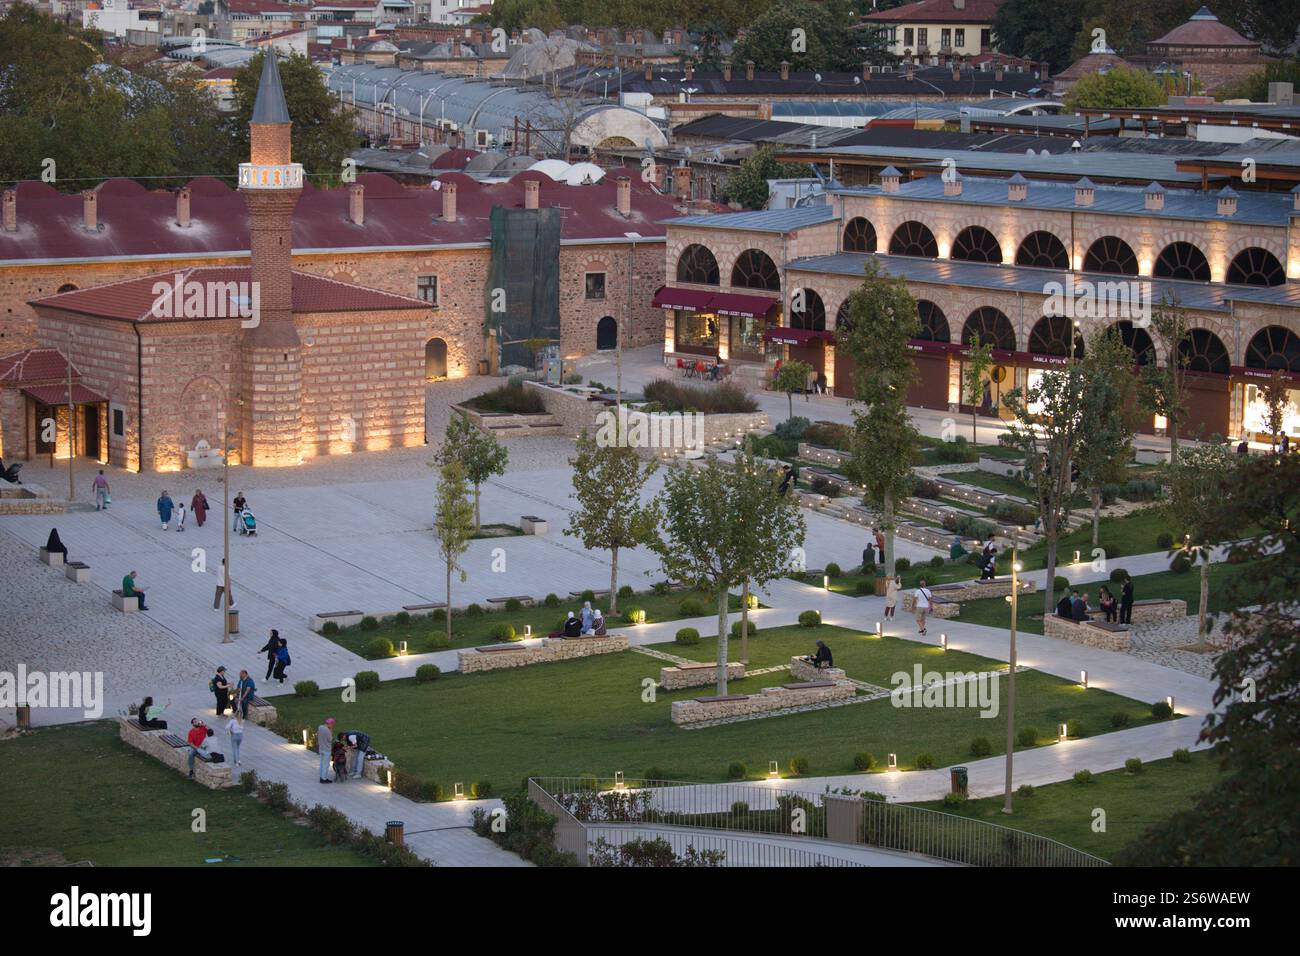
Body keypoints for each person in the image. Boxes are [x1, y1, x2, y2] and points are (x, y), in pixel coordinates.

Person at [317, 717, 336, 783]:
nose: (332, 726)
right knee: (326, 765)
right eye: (332, 725)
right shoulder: (328, 731)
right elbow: (330, 740)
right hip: (326, 750)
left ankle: (321, 776)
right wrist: (331, 731)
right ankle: (323, 779)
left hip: (321, 748)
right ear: (330, 724)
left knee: (322, 763)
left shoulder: (320, 727)